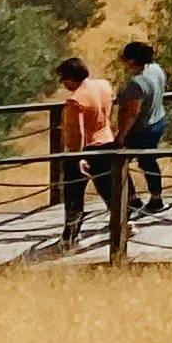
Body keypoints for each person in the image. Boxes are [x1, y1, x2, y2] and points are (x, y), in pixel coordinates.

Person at [49, 56, 122, 245]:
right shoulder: (104, 86)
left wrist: (77, 157)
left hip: (85, 150)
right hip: (107, 142)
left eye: (64, 79)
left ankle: (70, 235)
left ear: (71, 78)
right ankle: (123, 222)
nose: (64, 84)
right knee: (109, 190)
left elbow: (78, 133)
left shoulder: (76, 100)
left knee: (73, 194)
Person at [112, 41, 170, 214]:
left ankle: (130, 200)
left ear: (131, 61)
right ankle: (156, 198)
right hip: (158, 121)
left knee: (116, 162)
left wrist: (121, 135)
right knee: (148, 161)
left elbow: (132, 113)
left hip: (141, 129)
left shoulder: (136, 83)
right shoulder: (156, 69)